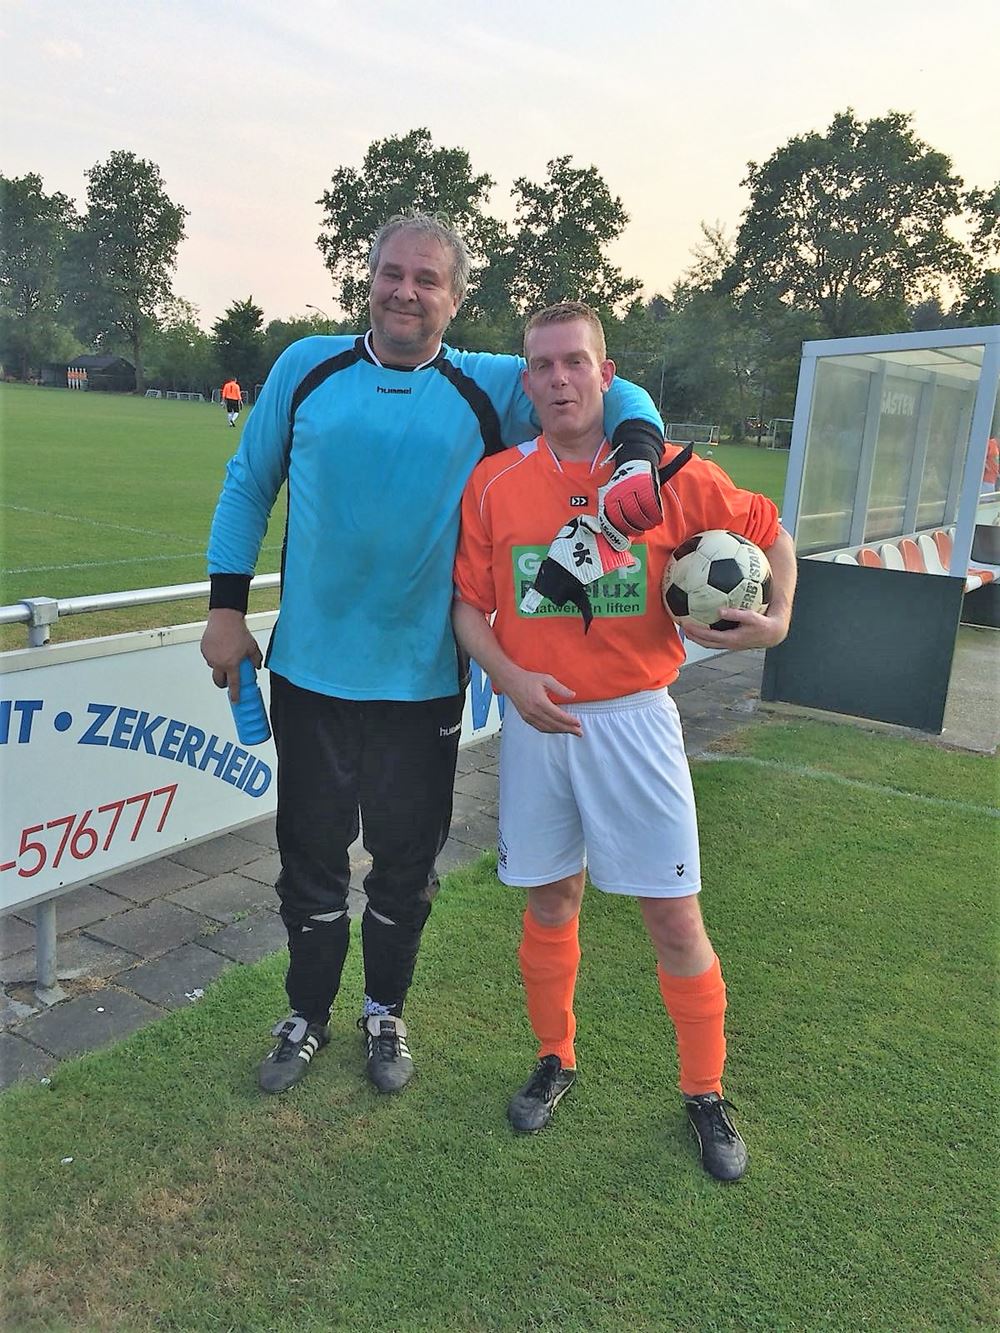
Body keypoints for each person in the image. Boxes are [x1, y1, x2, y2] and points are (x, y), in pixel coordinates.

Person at [200, 215, 666, 1097]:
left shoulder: (492, 383)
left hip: (422, 682)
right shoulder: (307, 366)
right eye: (391, 273)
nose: (405, 292)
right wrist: (227, 611)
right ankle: (306, 1014)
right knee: (309, 857)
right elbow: (247, 484)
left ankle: (385, 1011)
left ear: (456, 298)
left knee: (405, 864)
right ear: (368, 278)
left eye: (426, 279)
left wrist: (636, 460)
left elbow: (620, 388)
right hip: (308, 672)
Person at [452, 301, 797, 1181]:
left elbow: (771, 531)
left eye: (575, 362)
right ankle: (555, 1056)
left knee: (674, 917)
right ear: (525, 381)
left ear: (608, 375)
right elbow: (466, 607)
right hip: (536, 725)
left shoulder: (670, 476)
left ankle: (705, 1091)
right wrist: (511, 678)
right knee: (551, 901)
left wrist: (781, 618)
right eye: (543, 366)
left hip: (636, 722)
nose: (560, 379)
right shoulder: (495, 481)